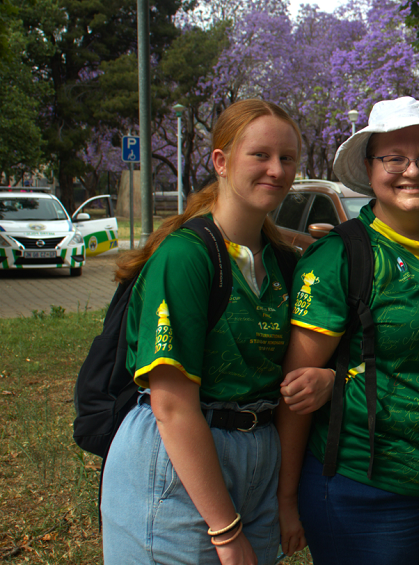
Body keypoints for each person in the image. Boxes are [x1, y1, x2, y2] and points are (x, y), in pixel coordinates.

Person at [275, 97, 419, 565]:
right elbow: (295, 394)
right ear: (371, 168)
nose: (411, 171)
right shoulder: (341, 257)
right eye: (393, 158)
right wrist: (286, 498)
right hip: (364, 489)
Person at [101, 99, 302, 565]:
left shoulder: (281, 261)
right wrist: (227, 533)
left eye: (287, 158)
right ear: (221, 161)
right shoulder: (186, 256)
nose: (276, 169)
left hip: (260, 456)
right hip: (181, 461)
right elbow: (171, 406)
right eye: (260, 155)